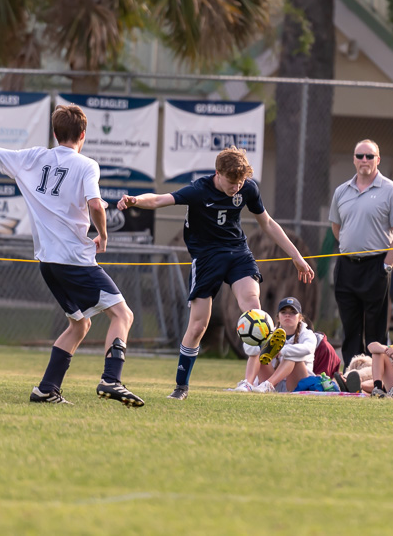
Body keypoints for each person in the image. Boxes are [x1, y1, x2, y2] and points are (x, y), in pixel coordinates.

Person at [0, 105, 144, 407]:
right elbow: (97, 205)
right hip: (74, 260)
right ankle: (111, 380)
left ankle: (46, 389)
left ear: (54, 133)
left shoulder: (32, 158)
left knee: (80, 325)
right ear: (83, 135)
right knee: (122, 314)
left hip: (48, 262)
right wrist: (103, 233)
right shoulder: (86, 165)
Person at [118, 147, 314, 400]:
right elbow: (159, 200)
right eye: (232, 182)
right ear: (218, 174)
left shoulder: (248, 189)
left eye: (241, 182)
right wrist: (135, 200)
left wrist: (296, 256)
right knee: (199, 324)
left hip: (237, 253)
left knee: (254, 310)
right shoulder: (198, 190)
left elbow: (267, 223)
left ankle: (263, 362)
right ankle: (181, 386)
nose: (237, 188)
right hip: (207, 258)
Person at [329, 139, 393, 368]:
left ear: (378, 159)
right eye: (360, 156)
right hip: (346, 266)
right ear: (354, 160)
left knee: (375, 327)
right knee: (350, 326)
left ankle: (376, 377)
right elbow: (337, 228)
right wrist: (352, 246)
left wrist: (386, 266)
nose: (364, 160)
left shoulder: (391, 191)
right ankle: (352, 374)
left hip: (376, 265)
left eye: (369, 156)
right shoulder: (341, 191)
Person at [234, 297, 315, 393]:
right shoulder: (268, 331)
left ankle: (269, 384)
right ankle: (248, 384)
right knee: (258, 352)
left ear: (300, 317)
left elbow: (308, 348)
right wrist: (262, 347)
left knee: (291, 355)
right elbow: (249, 349)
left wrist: (280, 350)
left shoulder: (307, 334)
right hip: (271, 383)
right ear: (278, 317)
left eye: (293, 312)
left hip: (296, 383)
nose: (287, 315)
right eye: (283, 312)